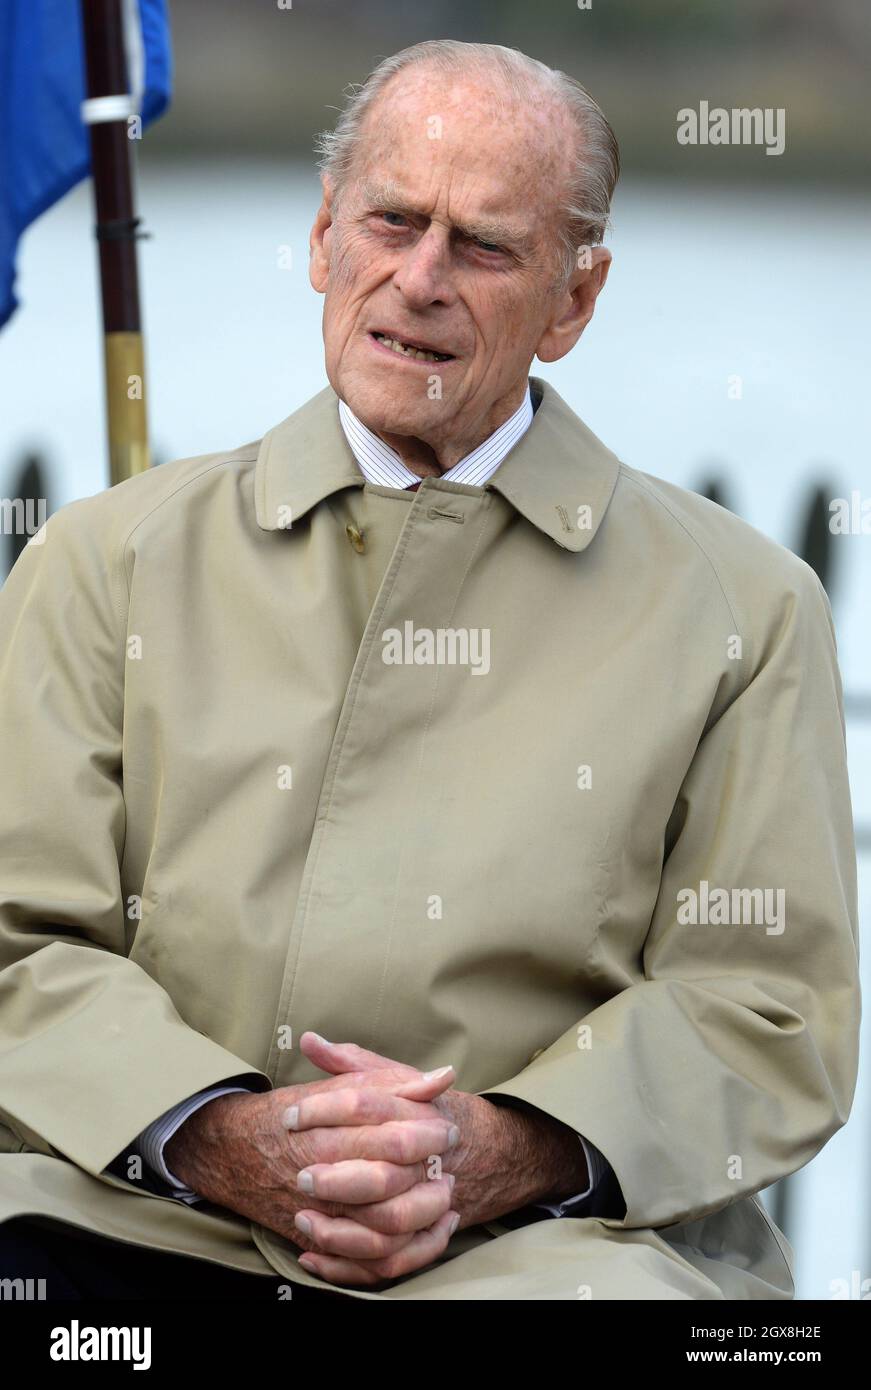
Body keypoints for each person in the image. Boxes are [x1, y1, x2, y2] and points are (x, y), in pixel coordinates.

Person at [0, 39, 859, 1301]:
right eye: (390, 221)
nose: (419, 279)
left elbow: (766, 1013)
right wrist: (216, 1136)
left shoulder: (746, 606)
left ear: (574, 300)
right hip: (132, 1214)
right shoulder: (103, 560)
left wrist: (497, 1154)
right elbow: (20, 942)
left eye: (483, 245)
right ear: (320, 243)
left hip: (553, 1251)